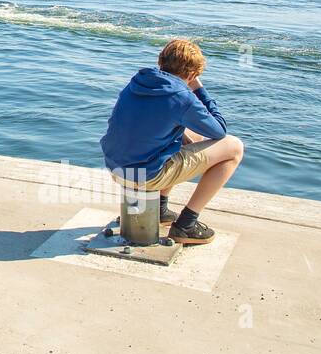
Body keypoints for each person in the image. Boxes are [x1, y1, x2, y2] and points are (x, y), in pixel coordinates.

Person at [99, 39, 244, 245]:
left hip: (117, 168)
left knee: (193, 136)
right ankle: (187, 224)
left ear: (161, 62)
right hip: (146, 176)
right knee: (234, 147)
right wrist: (199, 89)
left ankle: (159, 208)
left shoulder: (136, 82)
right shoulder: (183, 96)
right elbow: (219, 130)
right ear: (193, 74)